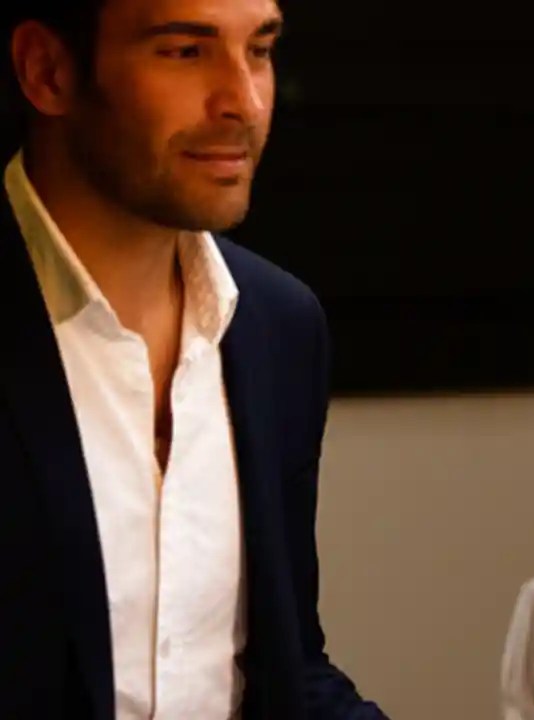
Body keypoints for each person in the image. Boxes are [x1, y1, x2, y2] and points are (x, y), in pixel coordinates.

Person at [0, 0, 387, 717]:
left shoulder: (281, 326)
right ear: (47, 71)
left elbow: (286, 669)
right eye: (185, 51)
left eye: (261, 51)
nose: (242, 100)